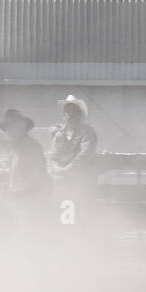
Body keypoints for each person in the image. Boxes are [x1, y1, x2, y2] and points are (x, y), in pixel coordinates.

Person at [48, 95, 100, 240]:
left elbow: (85, 154)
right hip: (65, 181)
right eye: (67, 112)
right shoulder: (61, 134)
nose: (70, 115)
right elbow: (53, 155)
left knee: (85, 209)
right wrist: (56, 167)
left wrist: (67, 169)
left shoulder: (87, 131)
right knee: (65, 208)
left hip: (83, 179)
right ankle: (68, 238)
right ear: (64, 115)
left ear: (79, 114)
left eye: (73, 111)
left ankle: (88, 240)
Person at [0, 108, 51, 236]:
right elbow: (14, 173)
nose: (10, 130)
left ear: (22, 126)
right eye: (8, 127)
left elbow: (36, 176)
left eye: (13, 125)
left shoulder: (32, 146)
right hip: (18, 198)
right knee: (17, 233)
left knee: (27, 234)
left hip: (30, 200)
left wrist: (18, 191)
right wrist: (8, 187)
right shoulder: (15, 148)